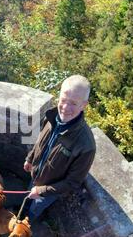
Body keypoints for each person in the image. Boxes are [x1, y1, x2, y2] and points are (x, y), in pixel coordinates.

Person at [23, 75, 96, 221]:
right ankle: (24, 209)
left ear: (84, 105)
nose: (65, 108)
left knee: (36, 207)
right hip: (36, 176)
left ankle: (27, 221)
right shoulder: (51, 117)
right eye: (63, 100)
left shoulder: (86, 145)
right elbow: (40, 142)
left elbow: (72, 183)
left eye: (74, 103)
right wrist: (30, 158)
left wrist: (41, 191)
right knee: (28, 197)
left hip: (50, 190)